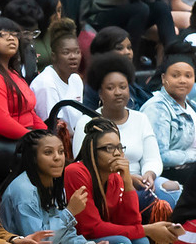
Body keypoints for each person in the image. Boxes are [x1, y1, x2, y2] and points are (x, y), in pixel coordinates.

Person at [76, 53, 178, 220]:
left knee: (172, 190)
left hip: (142, 182)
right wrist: (127, 179)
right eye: (110, 88)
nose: (118, 92)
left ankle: (166, 236)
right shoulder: (87, 122)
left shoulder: (140, 118)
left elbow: (152, 158)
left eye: (123, 87)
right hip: (107, 185)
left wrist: (149, 175)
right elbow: (84, 166)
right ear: (100, 93)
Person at [140, 54, 196, 187]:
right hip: (166, 173)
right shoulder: (157, 107)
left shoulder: (190, 105)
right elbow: (160, 155)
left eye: (188, 76)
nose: (182, 80)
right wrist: (192, 155)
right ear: (163, 78)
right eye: (175, 76)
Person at [30, 18, 82, 129]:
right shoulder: (46, 84)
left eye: (77, 52)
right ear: (54, 56)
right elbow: (51, 127)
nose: (73, 57)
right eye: (66, 53)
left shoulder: (76, 79)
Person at [83, 28, 151, 111]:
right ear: (104, 53)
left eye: (129, 47)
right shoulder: (96, 84)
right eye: (119, 48)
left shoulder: (130, 81)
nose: (127, 52)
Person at [86, 0, 176, 55]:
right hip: (101, 14)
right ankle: (130, 62)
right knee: (141, 9)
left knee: (161, 7)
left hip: (130, 9)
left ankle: (174, 54)